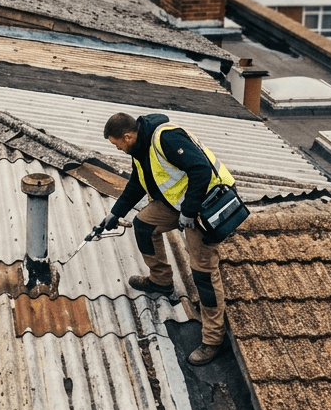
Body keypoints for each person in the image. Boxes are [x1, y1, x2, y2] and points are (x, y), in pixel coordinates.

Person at [94, 112, 236, 366]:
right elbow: (138, 183)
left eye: (117, 144)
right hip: (179, 204)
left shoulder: (166, 139)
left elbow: (201, 169)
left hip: (207, 202)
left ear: (128, 136)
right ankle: (161, 281)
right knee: (144, 226)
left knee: (203, 272)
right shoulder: (139, 148)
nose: (118, 149)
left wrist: (189, 212)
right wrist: (116, 213)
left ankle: (213, 339)